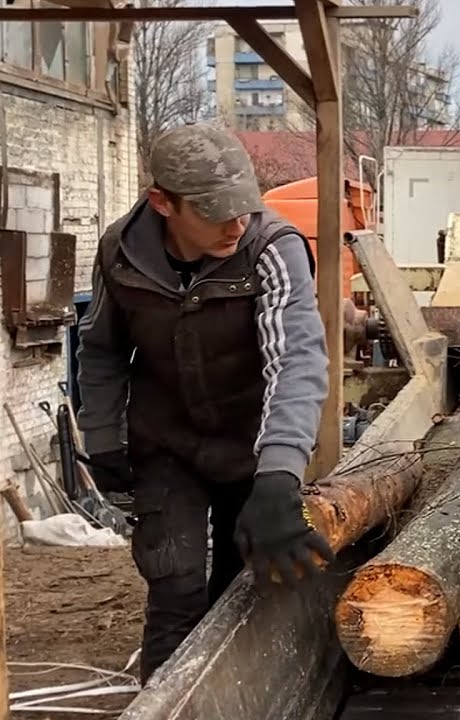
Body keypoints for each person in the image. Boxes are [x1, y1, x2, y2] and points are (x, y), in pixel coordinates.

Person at [75, 123, 335, 683]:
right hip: (167, 445)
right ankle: (165, 700)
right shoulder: (121, 254)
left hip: (251, 447)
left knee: (247, 587)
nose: (236, 225)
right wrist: (103, 442)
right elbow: (100, 353)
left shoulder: (272, 247)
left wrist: (281, 473)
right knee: (176, 586)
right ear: (163, 202)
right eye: (217, 212)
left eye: (244, 208)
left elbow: (295, 359)